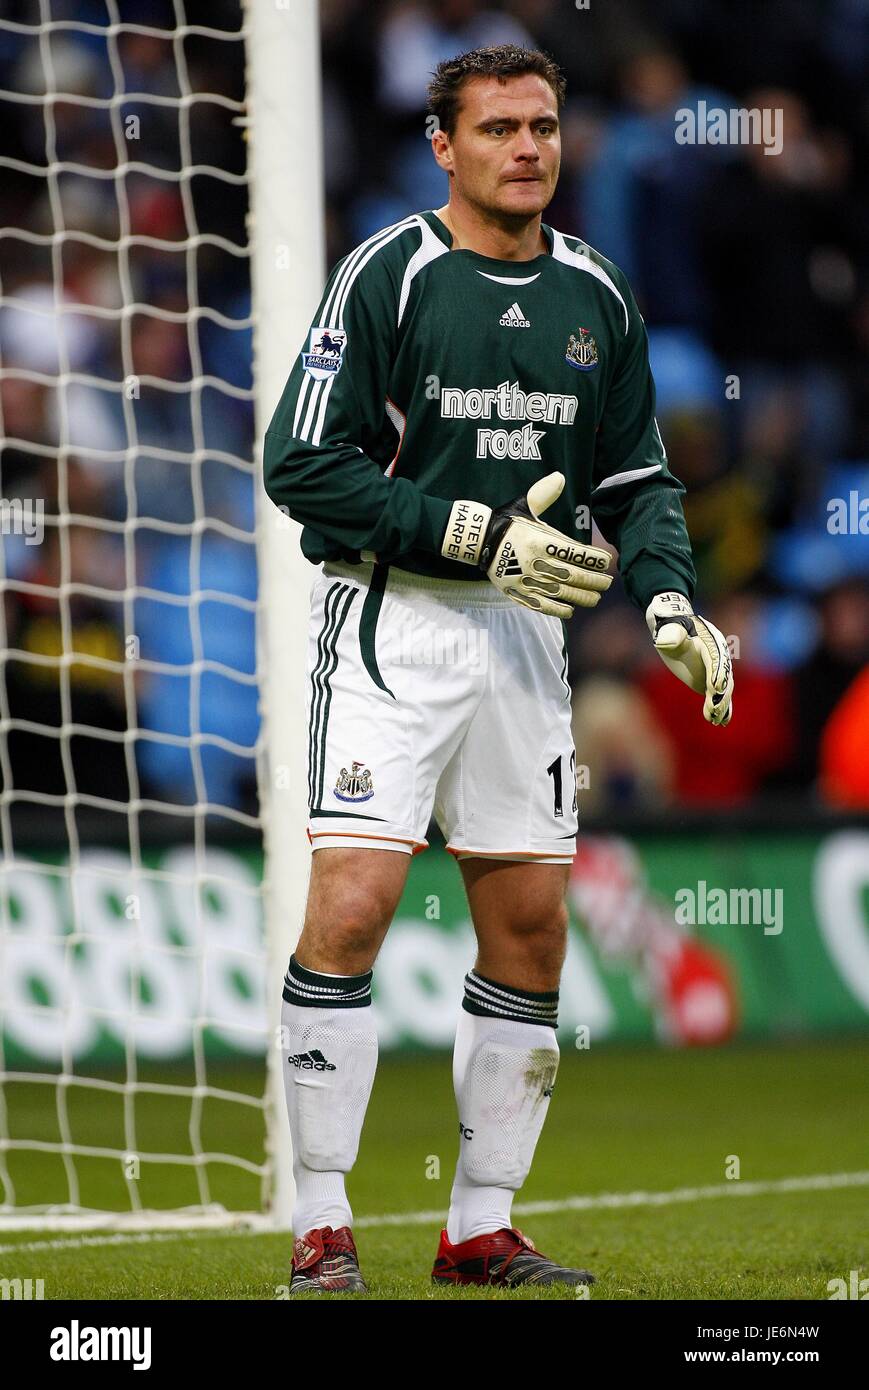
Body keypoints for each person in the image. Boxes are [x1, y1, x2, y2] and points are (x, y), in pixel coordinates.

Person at [263, 43, 733, 1295]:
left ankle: (478, 1226)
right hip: (392, 623)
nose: (526, 148)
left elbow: (637, 479)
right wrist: (477, 532)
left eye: (541, 126)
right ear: (442, 146)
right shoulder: (389, 274)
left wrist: (672, 598)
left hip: (527, 641)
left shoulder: (598, 293)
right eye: (497, 130)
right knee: (353, 906)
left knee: (526, 933)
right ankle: (320, 1222)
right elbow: (301, 468)